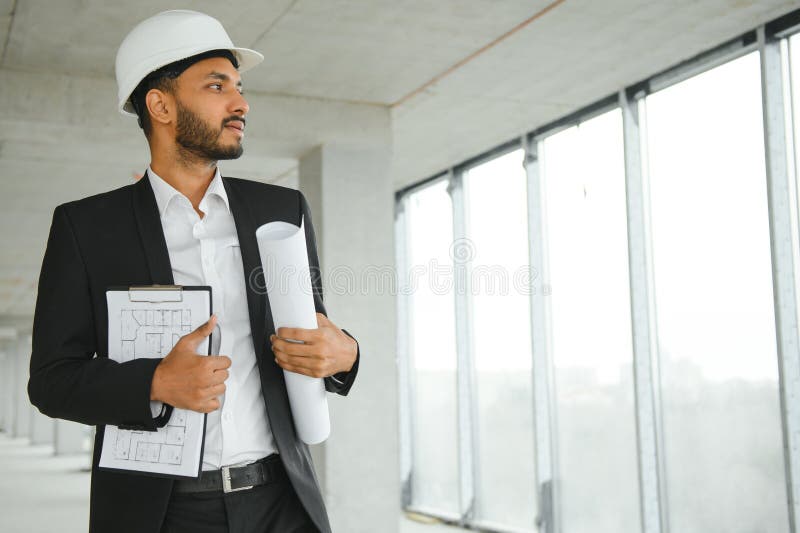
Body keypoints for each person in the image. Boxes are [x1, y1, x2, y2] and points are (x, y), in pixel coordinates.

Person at [27, 9, 359, 533]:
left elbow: (315, 328)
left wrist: (345, 354)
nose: (241, 103)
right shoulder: (86, 228)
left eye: (240, 87)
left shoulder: (282, 209)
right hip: (160, 513)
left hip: (280, 503)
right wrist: (154, 382)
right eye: (216, 85)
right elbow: (50, 381)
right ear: (160, 104)